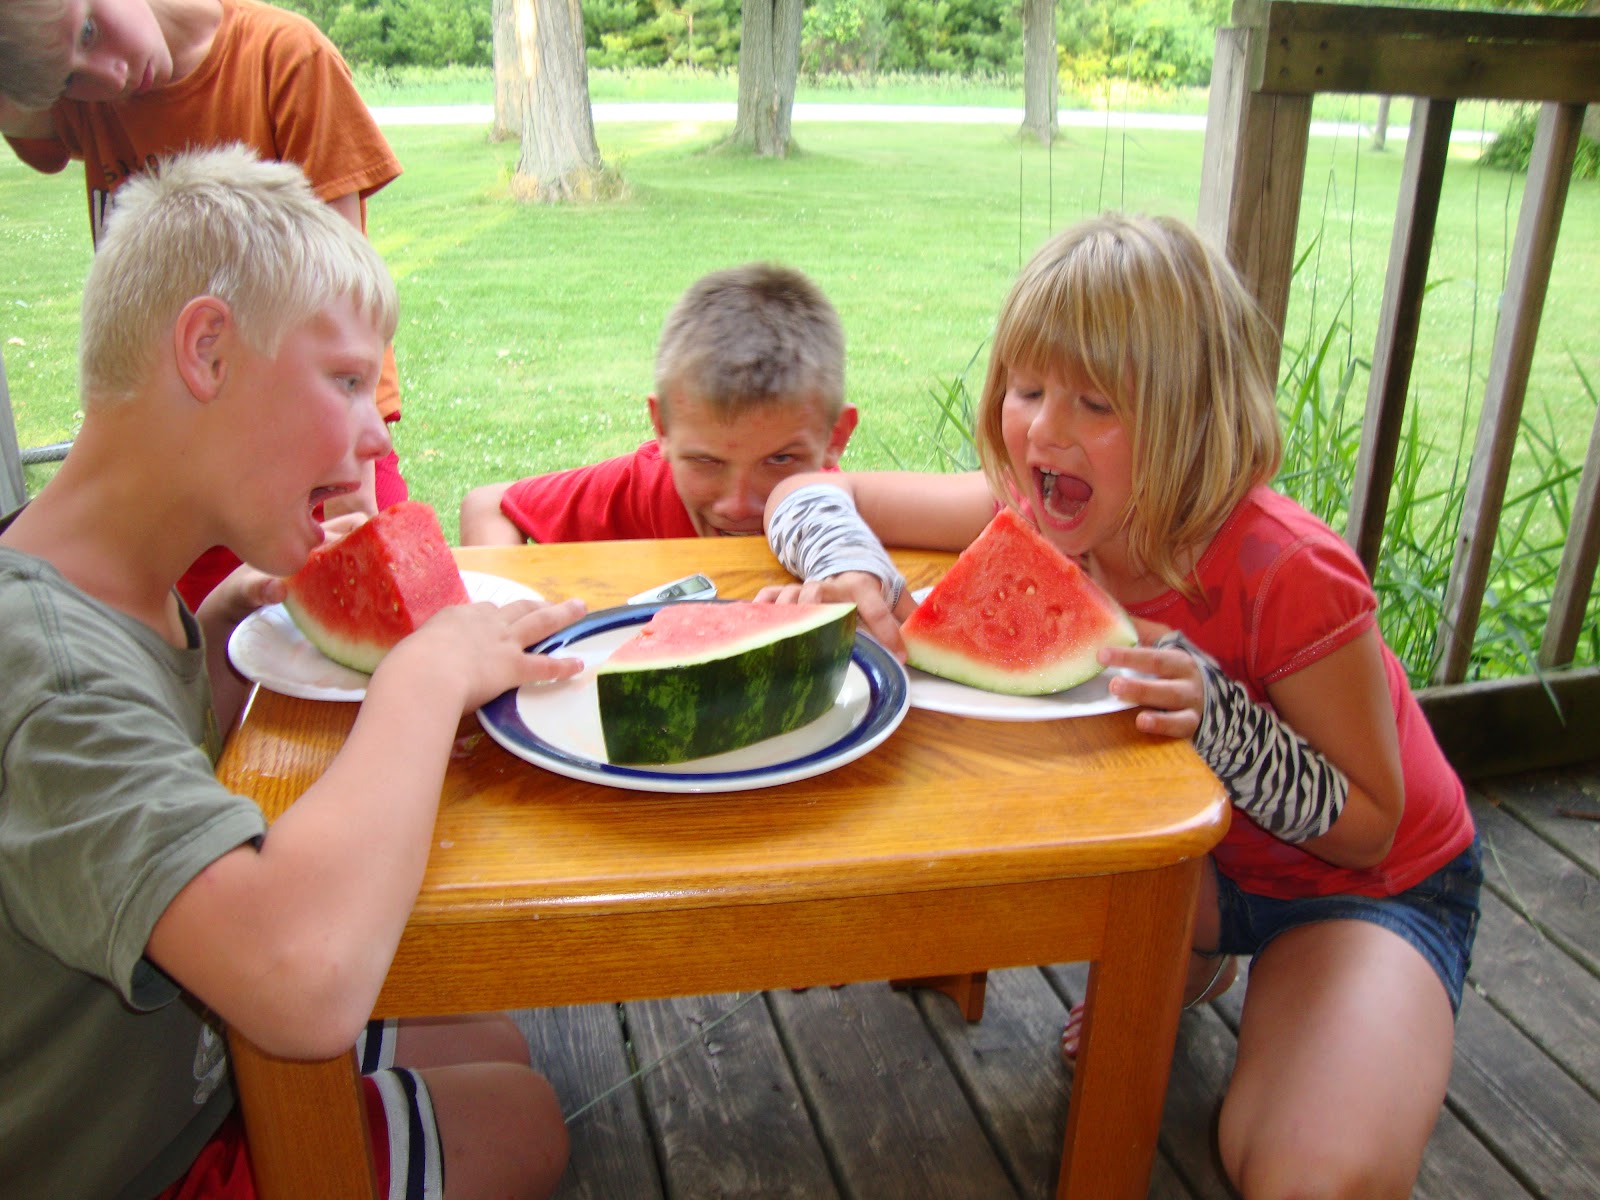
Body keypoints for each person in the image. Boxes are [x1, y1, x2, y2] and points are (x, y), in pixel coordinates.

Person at [758, 213, 1481, 1199]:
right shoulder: (1036, 508)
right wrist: (853, 575)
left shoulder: (1290, 572)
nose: (1044, 431)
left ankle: (1213, 961)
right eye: (1027, 389)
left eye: (1095, 401)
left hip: (1366, 891)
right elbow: (805, 494)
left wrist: (1222, 721)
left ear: (1194, 417)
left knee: (1305, 1177)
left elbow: (1369, 826)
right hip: (1186, 862)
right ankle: (1192, 954)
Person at [0, 146, 578, 1199]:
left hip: (181, 1062)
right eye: (347, 380)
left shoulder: (117, 590)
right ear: (208, 351)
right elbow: (302, 980)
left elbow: (136, 803)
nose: (377, 432)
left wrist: (222, 648)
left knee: (492, 1036)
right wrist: (420, 680)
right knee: (523, 1121)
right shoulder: (53, 678)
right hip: (137, 1166)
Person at [0, 0, 411, 610]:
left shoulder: (283, 59)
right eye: (67, 79)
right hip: (178, 476)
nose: (108, 76)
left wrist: (349, 489)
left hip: (318, 454)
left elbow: (347, 317)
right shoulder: (80, 92)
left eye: (89, 29)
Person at [459, 262, 858, 545]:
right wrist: (502, 612)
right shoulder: (648, 485)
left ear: (835, 436)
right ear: (663, 428)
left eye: (780, 460)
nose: (737, 506)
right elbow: (488, 505)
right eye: (706, 461)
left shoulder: (855, 517)